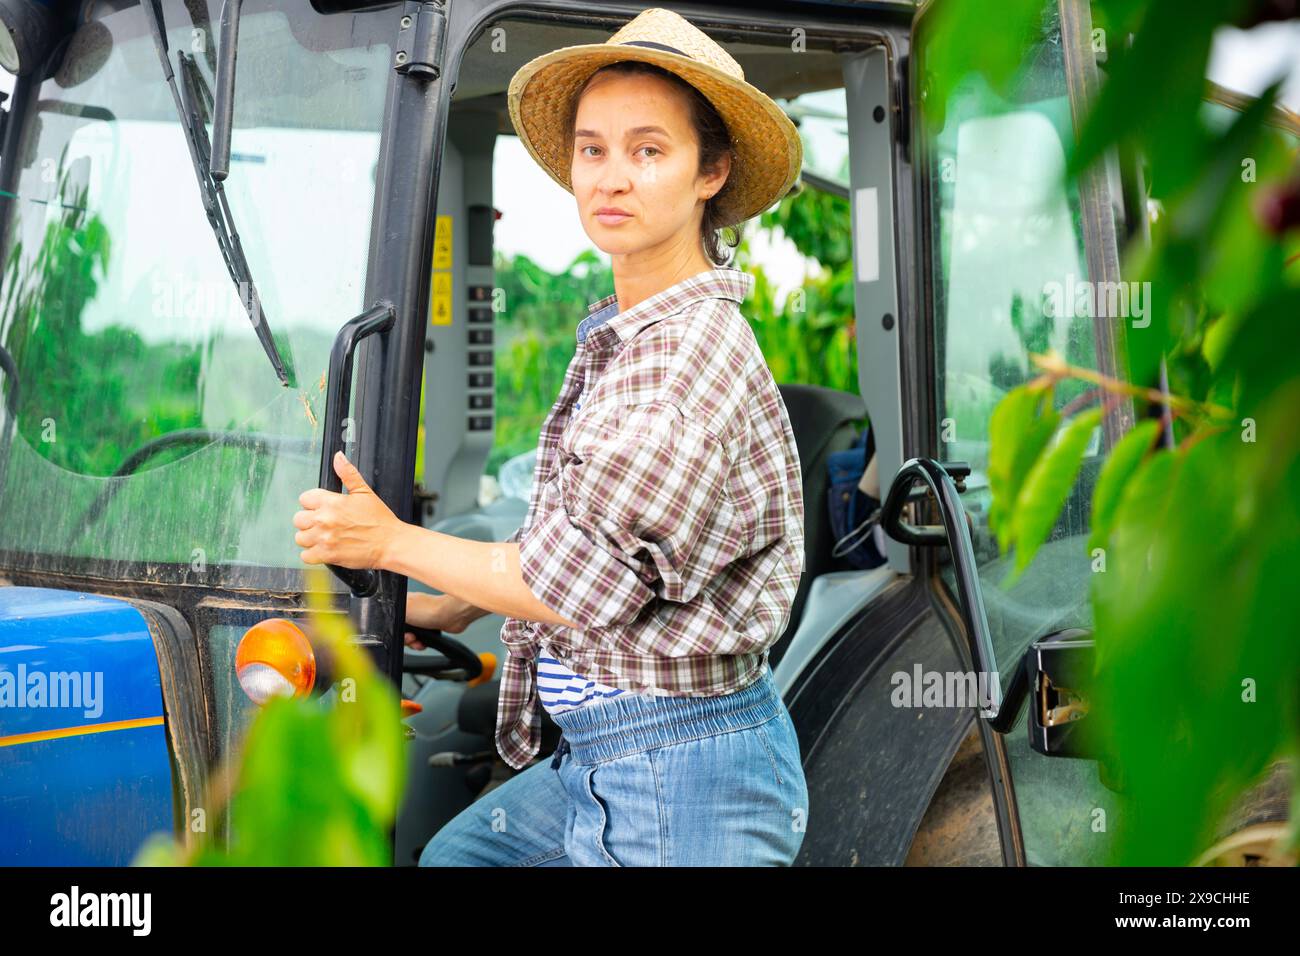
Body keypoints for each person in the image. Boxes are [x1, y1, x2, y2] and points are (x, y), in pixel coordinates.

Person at [293, 7, 808, 866]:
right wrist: (456, 602)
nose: (611, 177)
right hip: (606, 754)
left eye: (650, 150)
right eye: (592, 148)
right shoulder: (629, 332)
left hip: (678, 768)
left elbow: (577, 585)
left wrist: (388, 540)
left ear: (710, 171)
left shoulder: (677, 364)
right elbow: (584, 533)